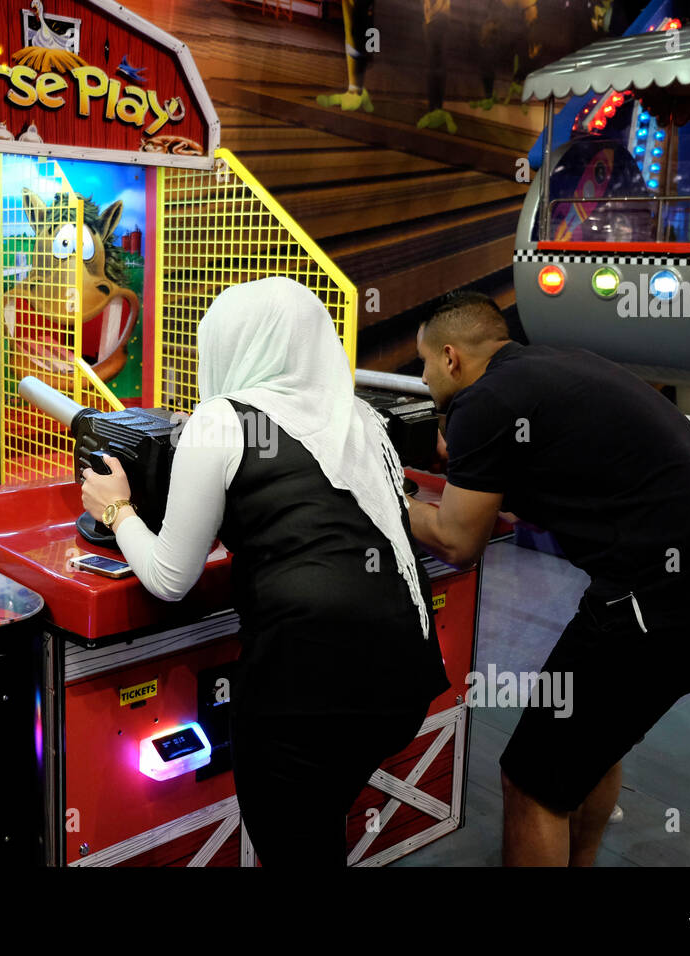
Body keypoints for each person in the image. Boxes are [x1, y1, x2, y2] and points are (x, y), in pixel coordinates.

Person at [79, 276, 448, 867]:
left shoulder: (222, 420)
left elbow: (171, 577)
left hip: (306, 696)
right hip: (406, 683)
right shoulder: (358, 418)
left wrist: (116, 510)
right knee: (317, 825)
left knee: (293, 844)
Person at [408, 289, 690, 867]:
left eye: (424, 363)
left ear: (451, 358)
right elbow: (555, 483)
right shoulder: (551, 367)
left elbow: (457, 542)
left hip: (663, 600)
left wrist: (385, 498)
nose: (422, 379)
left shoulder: (485, 401)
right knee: (588, 751)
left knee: (531, 781)